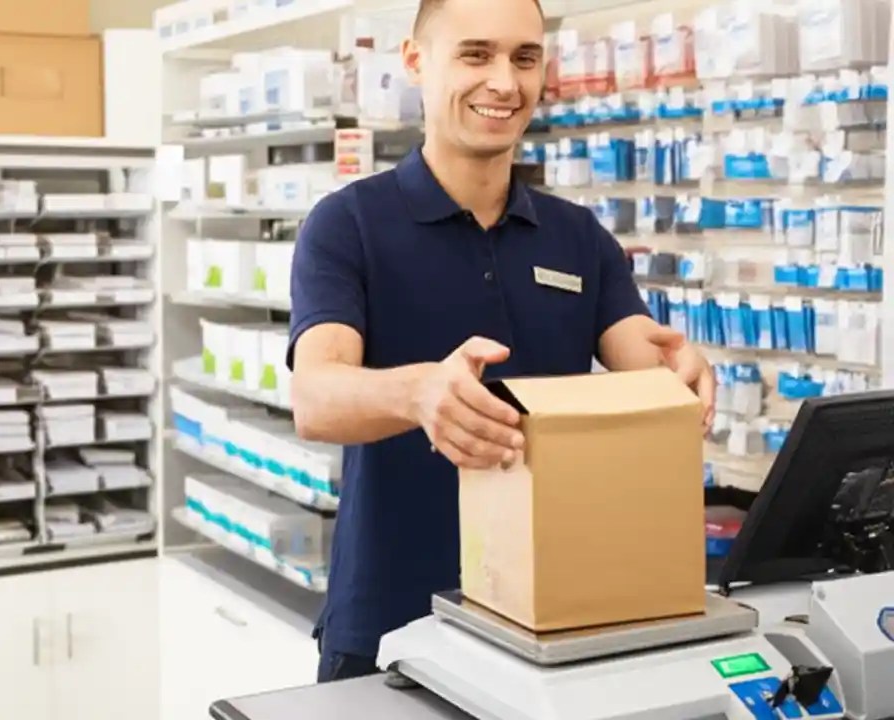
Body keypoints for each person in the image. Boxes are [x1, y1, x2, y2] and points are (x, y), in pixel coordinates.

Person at [286, 0, 716, 684]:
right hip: (389, 627)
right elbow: (315, 397)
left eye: (525, 58)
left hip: (553, 624)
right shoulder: (348, 224)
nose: (505, 83)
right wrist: (420, 393)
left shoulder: (578, 237)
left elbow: (646, 352)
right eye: (476, 54)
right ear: (416, 61)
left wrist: (680, 372)